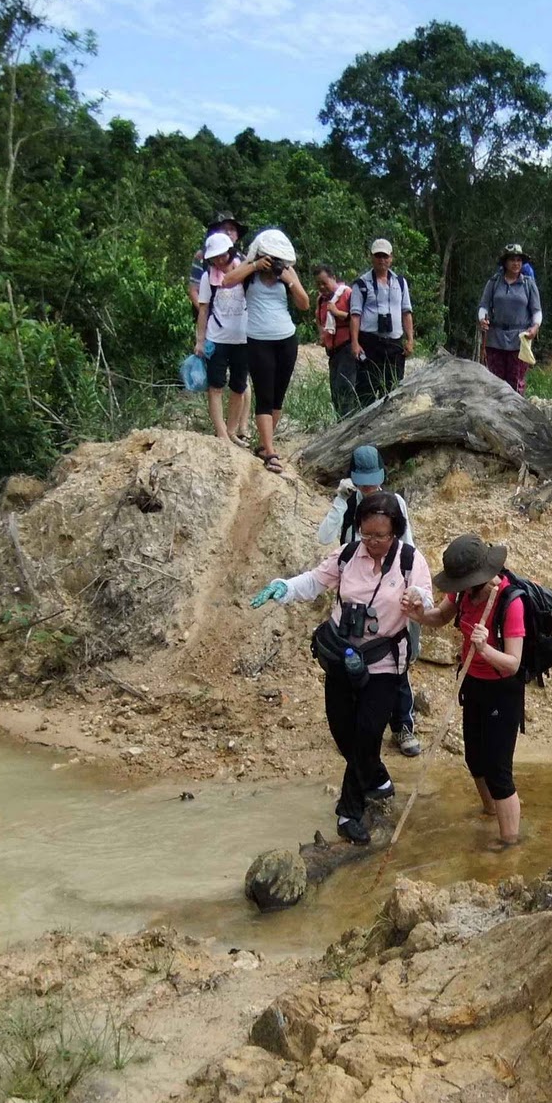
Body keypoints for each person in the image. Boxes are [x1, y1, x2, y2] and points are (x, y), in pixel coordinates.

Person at [250, 492, 434, 844]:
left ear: (395, 531)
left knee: (367, 732)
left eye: (380, 535)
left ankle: (349, 811)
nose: (372, 542)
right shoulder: (348, 554)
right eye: (367, 534)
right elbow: (314, 581)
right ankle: (377, 778)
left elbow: (424, 596)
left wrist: (416, 599)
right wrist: (283, 587)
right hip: (341, 657)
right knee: (342, 732)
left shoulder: (410, 560)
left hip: (383, 663)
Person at [404, 534, 526, 850]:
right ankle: (489, 812)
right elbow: (441, 616)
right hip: (472, 683)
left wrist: (485, 649)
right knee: (475, 759)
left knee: (498, 770)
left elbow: (513, 663)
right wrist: (419, 615)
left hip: (502, 689)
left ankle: (510, 843)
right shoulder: (464, 593)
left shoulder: (510, 602)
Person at [316, 446, 422, 759]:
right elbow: (324, 537)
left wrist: (411, 589)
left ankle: (402, 725)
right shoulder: (348, 502)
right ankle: (360, 727)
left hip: (389, 595)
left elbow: (408, 546)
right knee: (351, 663)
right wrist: (340, 501)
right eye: (363, 483)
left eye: (372, 482)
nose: (368, 488)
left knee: (394, 663)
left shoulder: (394, 503)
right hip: (353, 599)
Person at [222, 229, 309, 474]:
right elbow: (227, 281)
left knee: (278, 396)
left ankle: (264, 443)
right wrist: (254, 265)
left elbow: (304, 304)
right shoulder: (250, 272)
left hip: (286, 339)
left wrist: (288, 279)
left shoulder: (287, 273)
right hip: (258, 340)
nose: (272, 262)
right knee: (264, 396)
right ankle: (270, 452)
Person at [193, 232, 250, 442]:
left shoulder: (244, 273)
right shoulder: (208, 277)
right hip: (217, 337)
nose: (219, 260)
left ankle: (232, 430)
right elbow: (203, 309)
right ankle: (222, 433)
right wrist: (200, 340)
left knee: (239, 386)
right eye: (215, 257)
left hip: (243, 338)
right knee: (215, 386)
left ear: (230, 252)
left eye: (222, 255)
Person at [349, 238, 414, 406]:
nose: (382, 260)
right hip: (370, 342)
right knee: (367, 390)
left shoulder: (400, 282)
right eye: (378, 256)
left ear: (391, 258)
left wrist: (410, 340)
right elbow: (355, 315)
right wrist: (355, 343)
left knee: (393, 390)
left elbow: (406, 312)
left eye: (385, 256)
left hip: (394, 343)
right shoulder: (361, 284)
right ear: (371, 257)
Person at [476, 243, 542, 395]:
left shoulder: (528, 284)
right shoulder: (494, 282)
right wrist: (482, 319)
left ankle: (516, 409)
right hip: (495, 339)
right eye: (512, 260)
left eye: (519, 260)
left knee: (516, 383)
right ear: (505, 262)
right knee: (494, 383)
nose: (516, 263)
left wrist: (535, 327)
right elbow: (484, 305)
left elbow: (536, 310)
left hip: (519, 340)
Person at [314, 264, 356, 418]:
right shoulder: (321, 300)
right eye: (318, 284)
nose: (322, 287)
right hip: (332, 351)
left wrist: (337, 312)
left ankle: (348, 421)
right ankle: (340, 422)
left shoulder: (347, 294)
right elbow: (319, 319)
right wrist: (322, 335)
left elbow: (356, 318)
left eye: (324, 283)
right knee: (335, 390)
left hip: (347, 347)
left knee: (345, 387)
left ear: (333, 278)